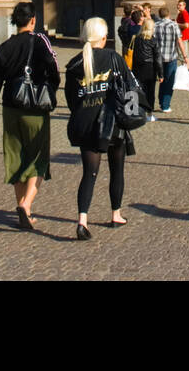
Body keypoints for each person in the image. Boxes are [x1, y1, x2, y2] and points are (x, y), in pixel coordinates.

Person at [0, 2, 60, 229]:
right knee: (38, 159)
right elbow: (54, 70)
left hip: (10, 108)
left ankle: (22, 212)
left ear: (15, 21)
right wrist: (50, 91)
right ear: (33, 20)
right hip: (35, 109)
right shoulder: (40, 41)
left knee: (15, 159)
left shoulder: (4, 47)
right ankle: (26, 205)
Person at [64, 17, 137, 240]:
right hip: (113, 124)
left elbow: (70, 100)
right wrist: (131, 116)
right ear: (104, 38)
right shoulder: (114, 58)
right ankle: (116, 214)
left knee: (89, 174)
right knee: (117, 171)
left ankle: (82, 220)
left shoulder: (75, 64)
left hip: (86, 124)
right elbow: (131, 87)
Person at [153, 5, 185, 113]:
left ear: (159, 15)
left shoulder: (155, 25)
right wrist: (185, 56)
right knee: (169, 81)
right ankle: (165, 105)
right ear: (168, 14)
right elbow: (179, 41)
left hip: (158, 58)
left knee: (162, 79)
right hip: (171, 56)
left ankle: (161, 101)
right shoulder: (174, 25)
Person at [130, 14, 160, 121]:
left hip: (138, 67)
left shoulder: (137, 39)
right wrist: (160, 74)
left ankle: (138, 111)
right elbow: (158, 58)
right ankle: (149, 113)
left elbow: (134, 55)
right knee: (150, 92)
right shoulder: (153, 40)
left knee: (138, 89)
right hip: (150, 67)